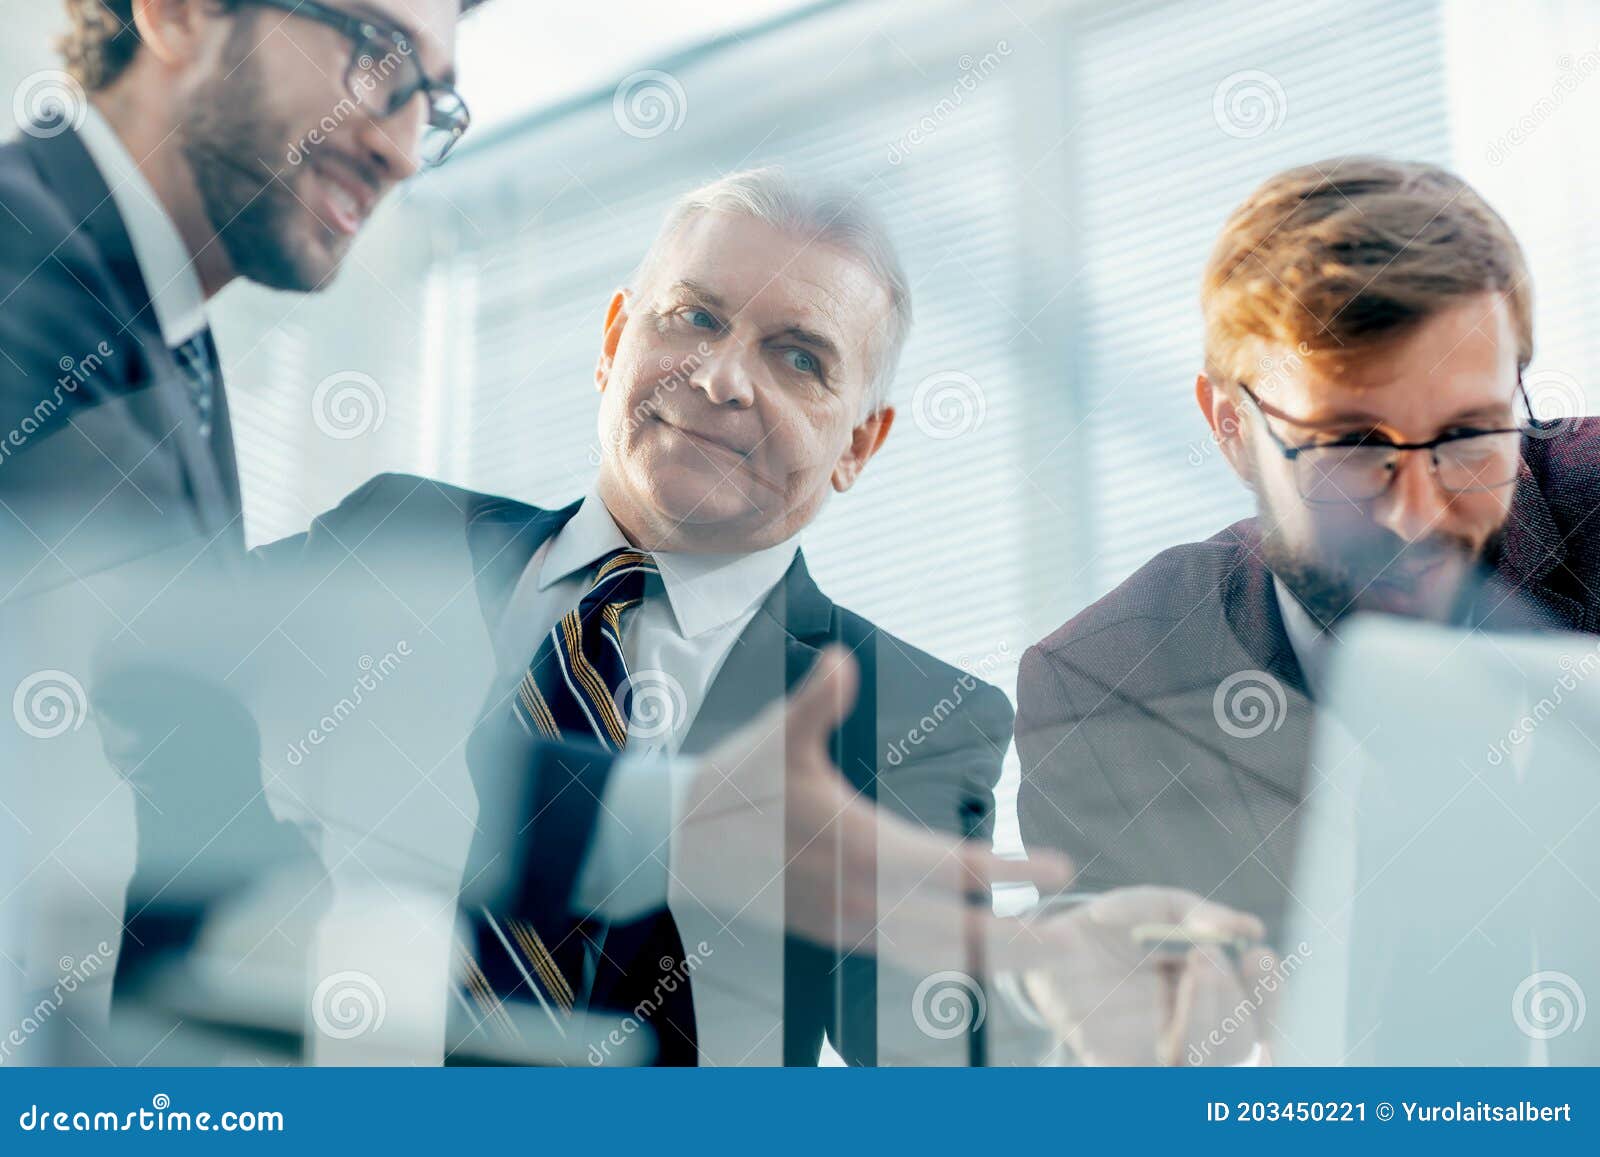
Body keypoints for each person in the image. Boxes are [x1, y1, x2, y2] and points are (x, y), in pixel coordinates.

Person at [252, 169, 1264, 1066]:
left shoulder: (906, 711)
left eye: (797, 358)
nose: (723, 376)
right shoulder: (395, 539)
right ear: (614, 341)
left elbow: (924, 1043)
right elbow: (150, 714)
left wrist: (1048, 998)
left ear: (859, 444)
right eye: (692, 317)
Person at [1016, 157, 1600, 944]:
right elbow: (1107, 1042)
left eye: (1468, 433)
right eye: (1353, 445)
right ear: (1231, 430)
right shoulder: (1111, 690)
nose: (1418, 515)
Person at [0, 0, 482, 598]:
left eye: (431, 102)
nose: (404, 154)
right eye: (379, 55)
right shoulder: (17, 250)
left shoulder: (178, 347)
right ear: (177, 15)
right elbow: (124, 663)